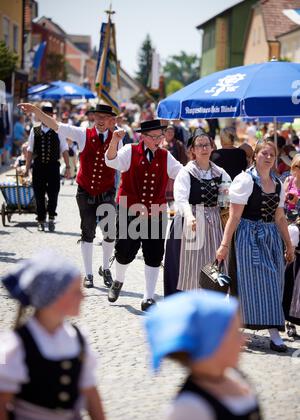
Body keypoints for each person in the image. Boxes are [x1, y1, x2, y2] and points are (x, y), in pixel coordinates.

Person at [0, 251, 110, 420]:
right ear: (54, 297)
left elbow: (90, 393)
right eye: (76, 291)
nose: (83, 296)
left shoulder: (77, 338)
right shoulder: (18, 345)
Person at [145, 290, 271, 420]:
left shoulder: (235, 376)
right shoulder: (189, 408)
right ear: (211, 344)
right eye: (235, 335)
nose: (243, 341)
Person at [18, 102, 121, 289]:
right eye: (97, 117)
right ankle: (88, 274)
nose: (100, 121)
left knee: (109, 232)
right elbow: (56, 125)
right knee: (87, 230)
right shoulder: (83, 134)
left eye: (104, 118)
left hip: (106, 190)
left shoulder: (117, 138)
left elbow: (119, 163)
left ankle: (106, 268)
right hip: (85, 189)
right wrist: (36, 111)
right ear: (93, 118)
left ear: (111, 120)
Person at [216, 140, 295, 352]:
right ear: (255, 156)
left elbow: (280, 217)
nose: (268, 157)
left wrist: (288, 244)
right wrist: (224, 245)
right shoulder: (244, 180)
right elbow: (234, 217)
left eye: (272, 154)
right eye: (264, 154)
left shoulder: (278, 183)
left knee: (274, 280)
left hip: (270, 237)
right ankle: (272, 332)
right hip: (247, 237)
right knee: (252, 284)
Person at [105, 119, 182, 311]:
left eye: (160, 136)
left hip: (156, 210)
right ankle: (118, 281)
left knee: (154, 253)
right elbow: (111, 160)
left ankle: (148, 297)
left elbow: (181, 173)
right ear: (143, 137)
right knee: (124, 250)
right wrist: (114, 141)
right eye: (154, 137)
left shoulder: (166, 156)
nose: (158, 140)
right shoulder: (129, 150)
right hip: (128, 208)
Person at [164, 133, 231, 295]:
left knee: (214, 264)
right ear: (192, 150)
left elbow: (225, 202)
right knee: (189, 266)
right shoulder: (186, 172)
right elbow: (180, 198)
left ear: (212, 147)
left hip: (214, 222)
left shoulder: (220, 173)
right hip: (190, 221)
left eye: (207, 145)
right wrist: (189, 216)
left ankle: (212, 303)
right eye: (199, 145)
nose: (204, 148)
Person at [23, 104, 70, 232]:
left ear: (52, 116)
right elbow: (30, 150)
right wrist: (27, 168)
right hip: (38, 166)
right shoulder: (35, 129)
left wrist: (68, 167)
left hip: (53, 166)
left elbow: (64, 149)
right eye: (45, 115)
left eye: (50, 115)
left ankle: (51, 218)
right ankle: (41, 219)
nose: (47, 117)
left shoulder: (57, 129)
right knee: (39, 194)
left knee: (53, 193)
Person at [283, 218, 300, 338]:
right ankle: (291, 324)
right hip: (297, 266)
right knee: (293, 295)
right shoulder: (295, 229)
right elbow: (290, 252)